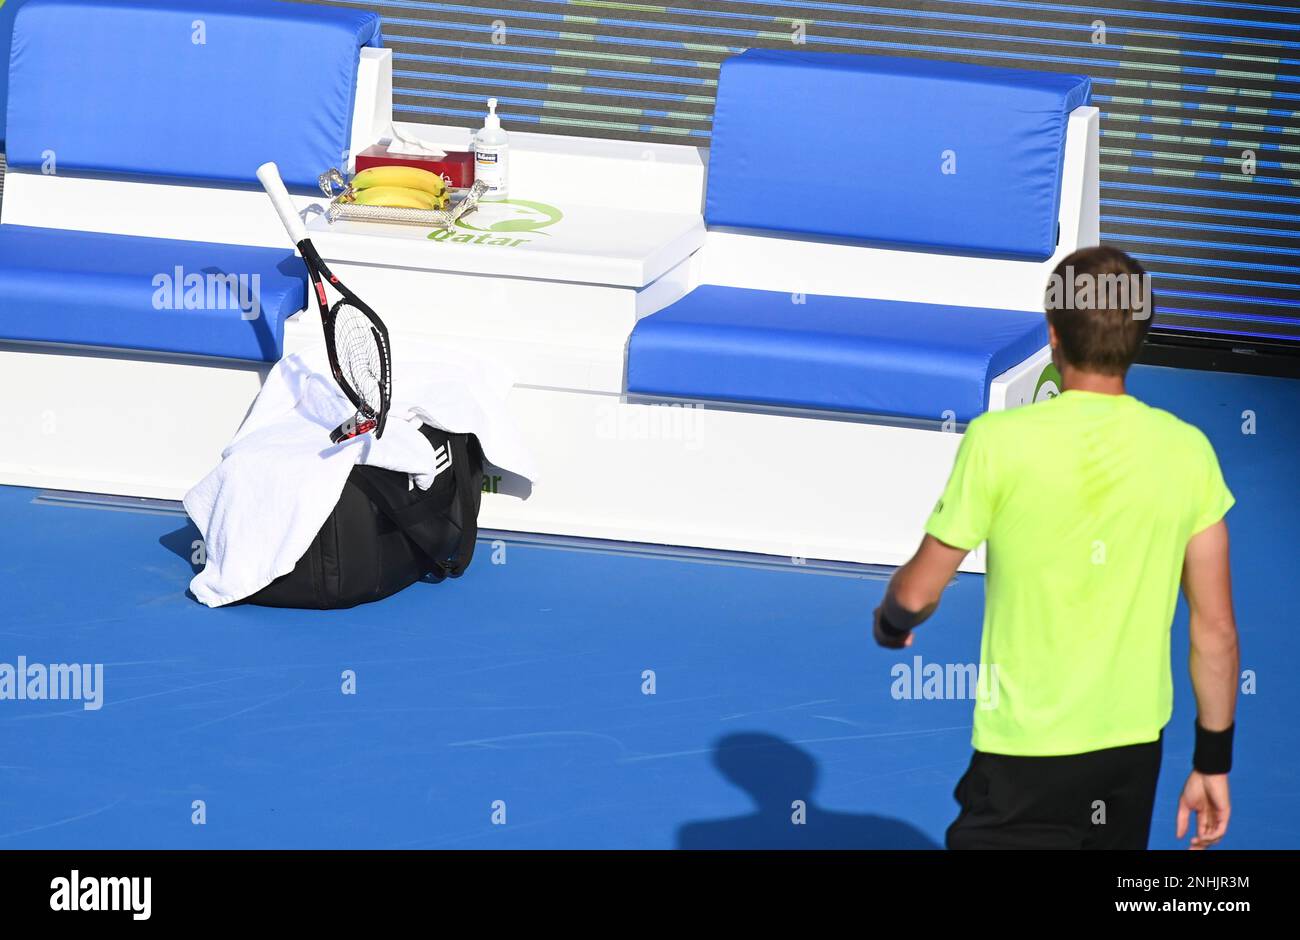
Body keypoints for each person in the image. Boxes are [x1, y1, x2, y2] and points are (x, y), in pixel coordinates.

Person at [873, 245, 1238, 850]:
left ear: (1053, 335)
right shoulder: (1189, 452)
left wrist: (891, 622)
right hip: (1130, 759)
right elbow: (1215, 631)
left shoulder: (998, 442)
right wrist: (1212, 762)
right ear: (1141, 335)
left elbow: (917, 592)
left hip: (1022, 759)